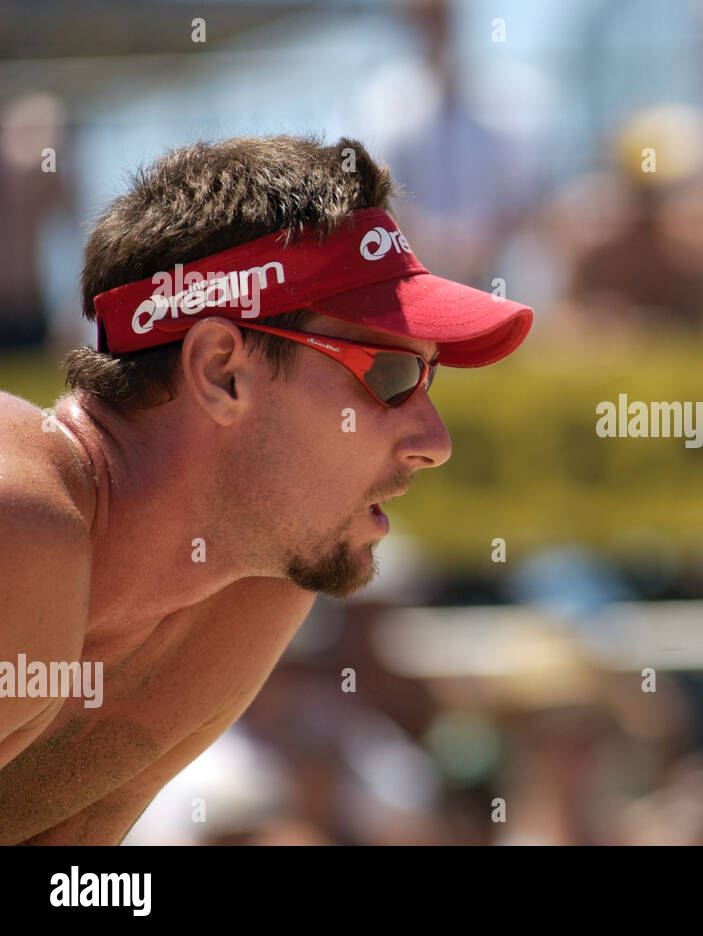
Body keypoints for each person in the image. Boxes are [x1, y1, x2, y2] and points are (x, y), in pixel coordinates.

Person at [0, 135, 532, 844]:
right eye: (392, 375)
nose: (435, 442)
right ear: (222, 371)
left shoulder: (256, 575)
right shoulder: (19, 520)